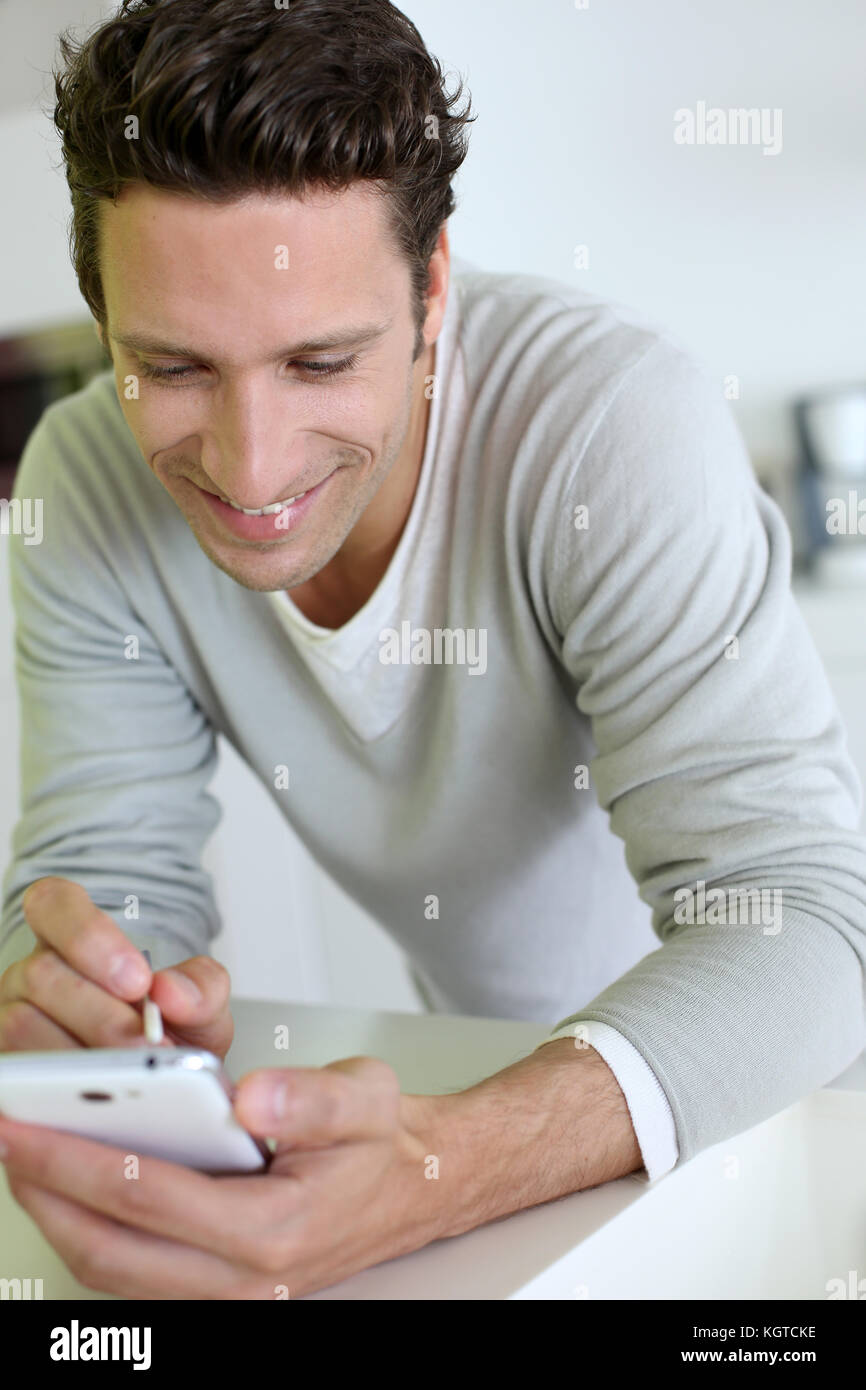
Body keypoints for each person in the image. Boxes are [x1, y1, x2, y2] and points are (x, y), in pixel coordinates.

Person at [0, 0, 864, 1299]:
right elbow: (100, 874)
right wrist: (96, 1012)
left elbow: (799, 918)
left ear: (433, 288)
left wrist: (435, 1164)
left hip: (786, 1136)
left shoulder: (607, 426)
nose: (250, 467)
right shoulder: (83, 475)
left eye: (322, 359)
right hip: (501, 1139)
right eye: (170, 365)